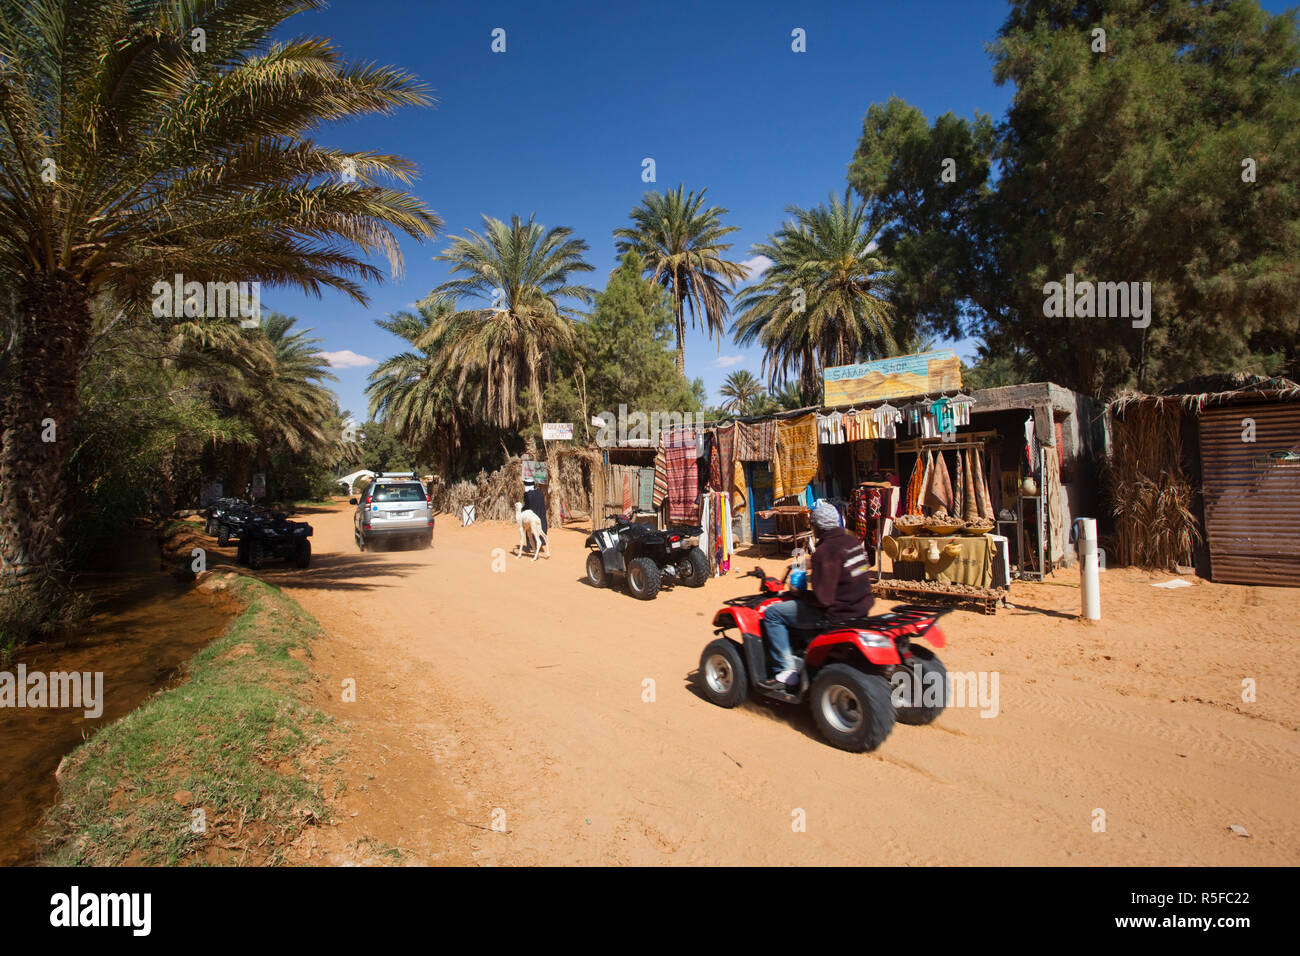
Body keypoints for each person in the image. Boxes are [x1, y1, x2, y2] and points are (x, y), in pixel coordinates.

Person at [761, 500, 874, 688]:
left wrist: (799, 593)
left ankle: (787, 670)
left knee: (773, 614)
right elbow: (855, 569)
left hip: (836, 615)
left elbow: (823, 599)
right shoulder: (852, 542)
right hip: (861, 607)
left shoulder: (824, 551)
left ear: (817, 528)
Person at [522, 481, 548, 554]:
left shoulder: (527, 494)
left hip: (532, 516)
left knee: (531, 530)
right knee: (541, 528)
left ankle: (532, 546)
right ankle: (541, 543)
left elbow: (527, 506)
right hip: (541, 514)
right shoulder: (540, 492)